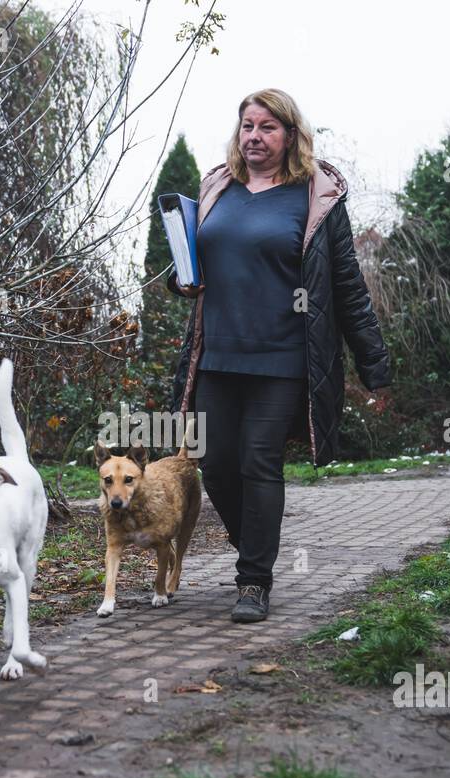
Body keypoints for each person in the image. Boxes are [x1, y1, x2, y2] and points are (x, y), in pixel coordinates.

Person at [168, 88, 391, 623]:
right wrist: (185, 280)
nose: (254, 136)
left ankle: (253, 582)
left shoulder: (315, 198)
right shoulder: (218, 186)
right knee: (217, 466)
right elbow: (195, 267)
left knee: (258, 461)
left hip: (282, 357)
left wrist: (374, 365)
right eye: (247, 125)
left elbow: (347, 285)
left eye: (267, 127)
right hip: (218, 353)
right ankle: (256, 549)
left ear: (290, 135)